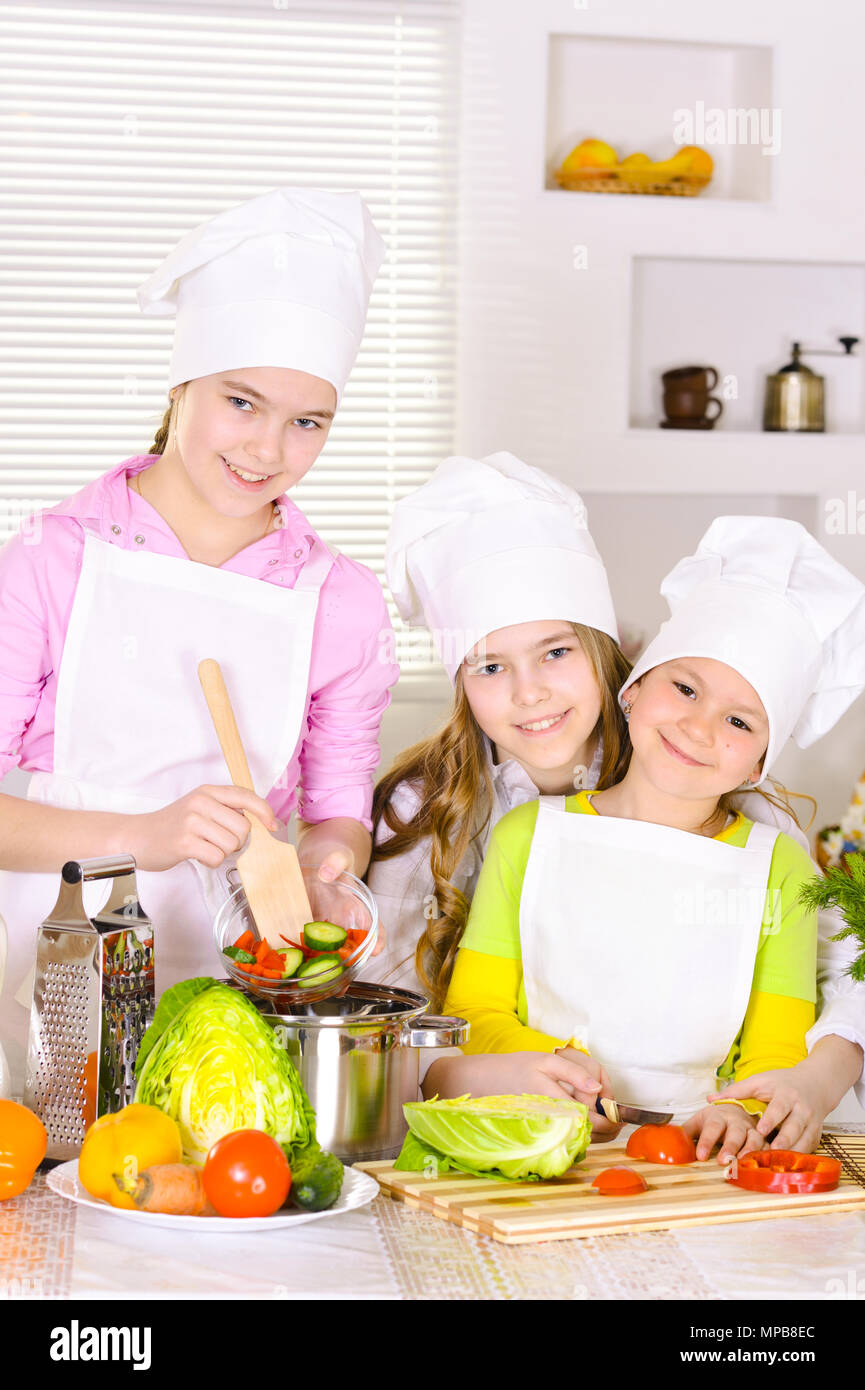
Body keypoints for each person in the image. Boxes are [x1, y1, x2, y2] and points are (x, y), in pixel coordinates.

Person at [0, 187, 400, 1095]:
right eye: (242, 402)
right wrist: (149, 833)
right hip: (42, 965)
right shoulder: (51, 559)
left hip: (233, 983)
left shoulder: (339, 599)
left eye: (309, 421)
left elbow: (337, 812)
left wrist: (327, 869)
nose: (268, 449)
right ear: (182, 385)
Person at [428, 516, 865, 1162]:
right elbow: (476, 1013)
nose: (697, 725)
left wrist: (740, 1115)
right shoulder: (528, 836)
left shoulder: (779, 867)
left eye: (739, 720)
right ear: (631, 693)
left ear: (756, 766)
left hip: (697, 1160)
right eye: (683, 688)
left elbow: (776, 1051)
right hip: (542, 1142)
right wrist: (550, 1070)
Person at [364, 452, 631, 1130]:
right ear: (460, 680)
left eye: (555, 651)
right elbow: (382, 1019)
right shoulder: (418, 810)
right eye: (490, 665)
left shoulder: (687, 770)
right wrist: (475, 1072)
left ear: (601, 649)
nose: (528, 692)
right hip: (494, 1125)